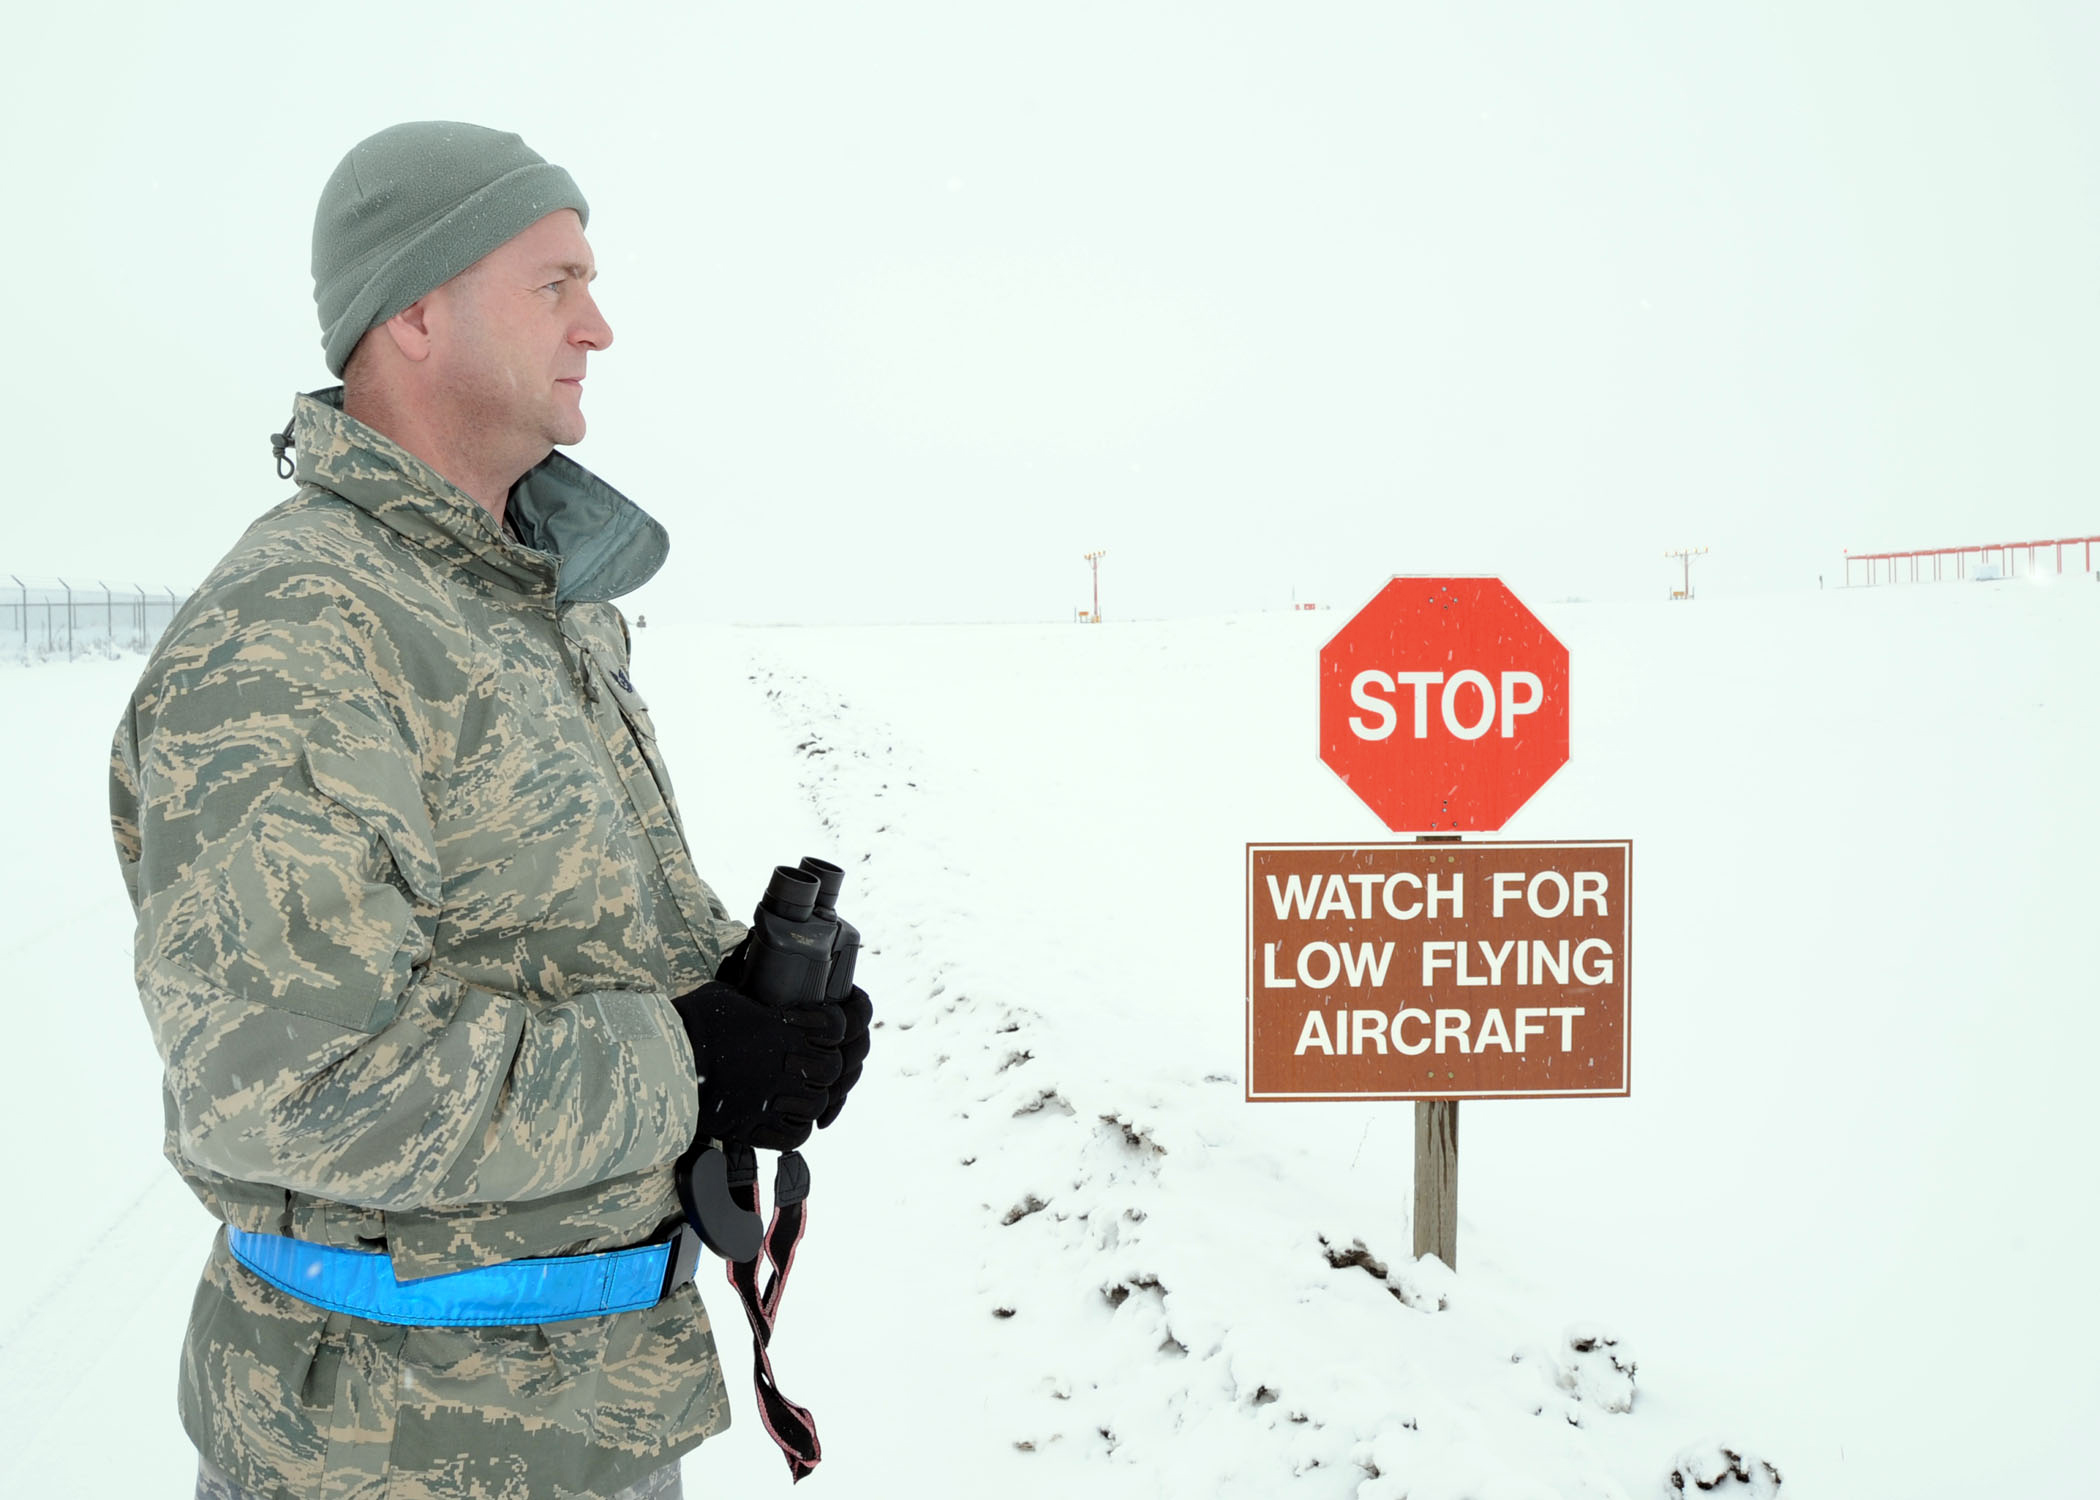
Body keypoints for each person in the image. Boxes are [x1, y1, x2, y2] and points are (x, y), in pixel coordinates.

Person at [109, 121, 870, 1500]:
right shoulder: (298, 630)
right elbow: (290, 1083)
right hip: (386, 1450)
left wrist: (755, 1013)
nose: (602, 326)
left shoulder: (533, 601)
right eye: (556, 282)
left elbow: (568, 932)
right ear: (413, 307)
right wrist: (689, 1060)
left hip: (592, 1413)